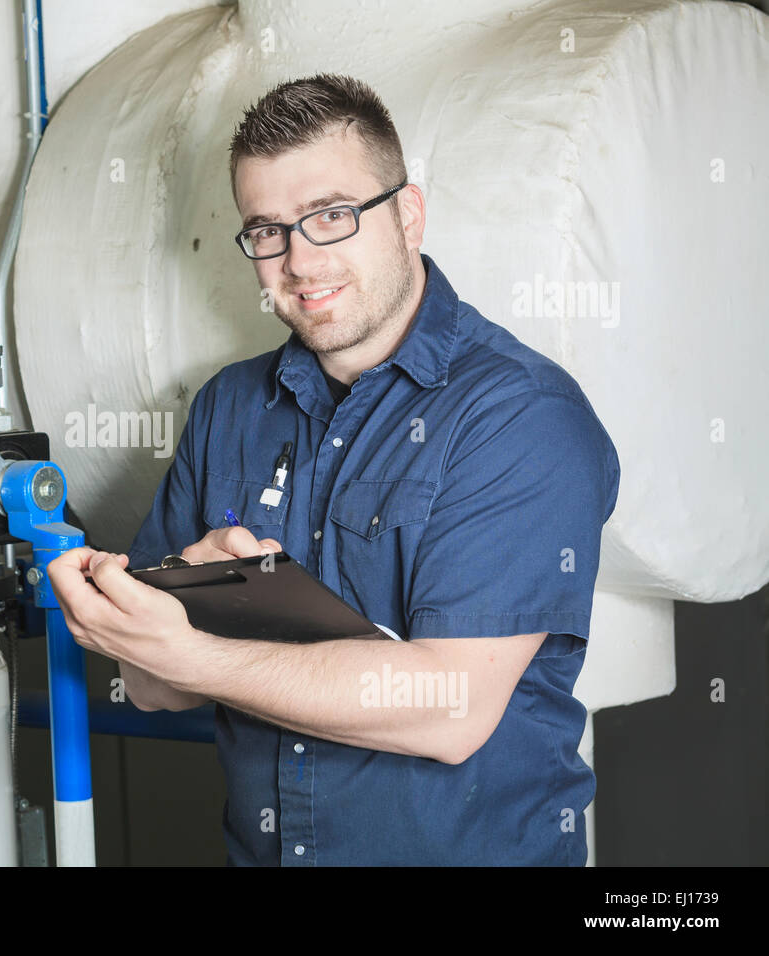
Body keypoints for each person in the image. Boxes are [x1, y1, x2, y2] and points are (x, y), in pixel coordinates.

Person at [45, 73, 620, 866]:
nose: (300, 261)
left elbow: (447, 710)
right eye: (267, 230)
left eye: (331, 216)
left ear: (407, 216)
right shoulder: (230, 408)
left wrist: (195, 648)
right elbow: (151, 687)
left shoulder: (520, 416)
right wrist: (171, 596)